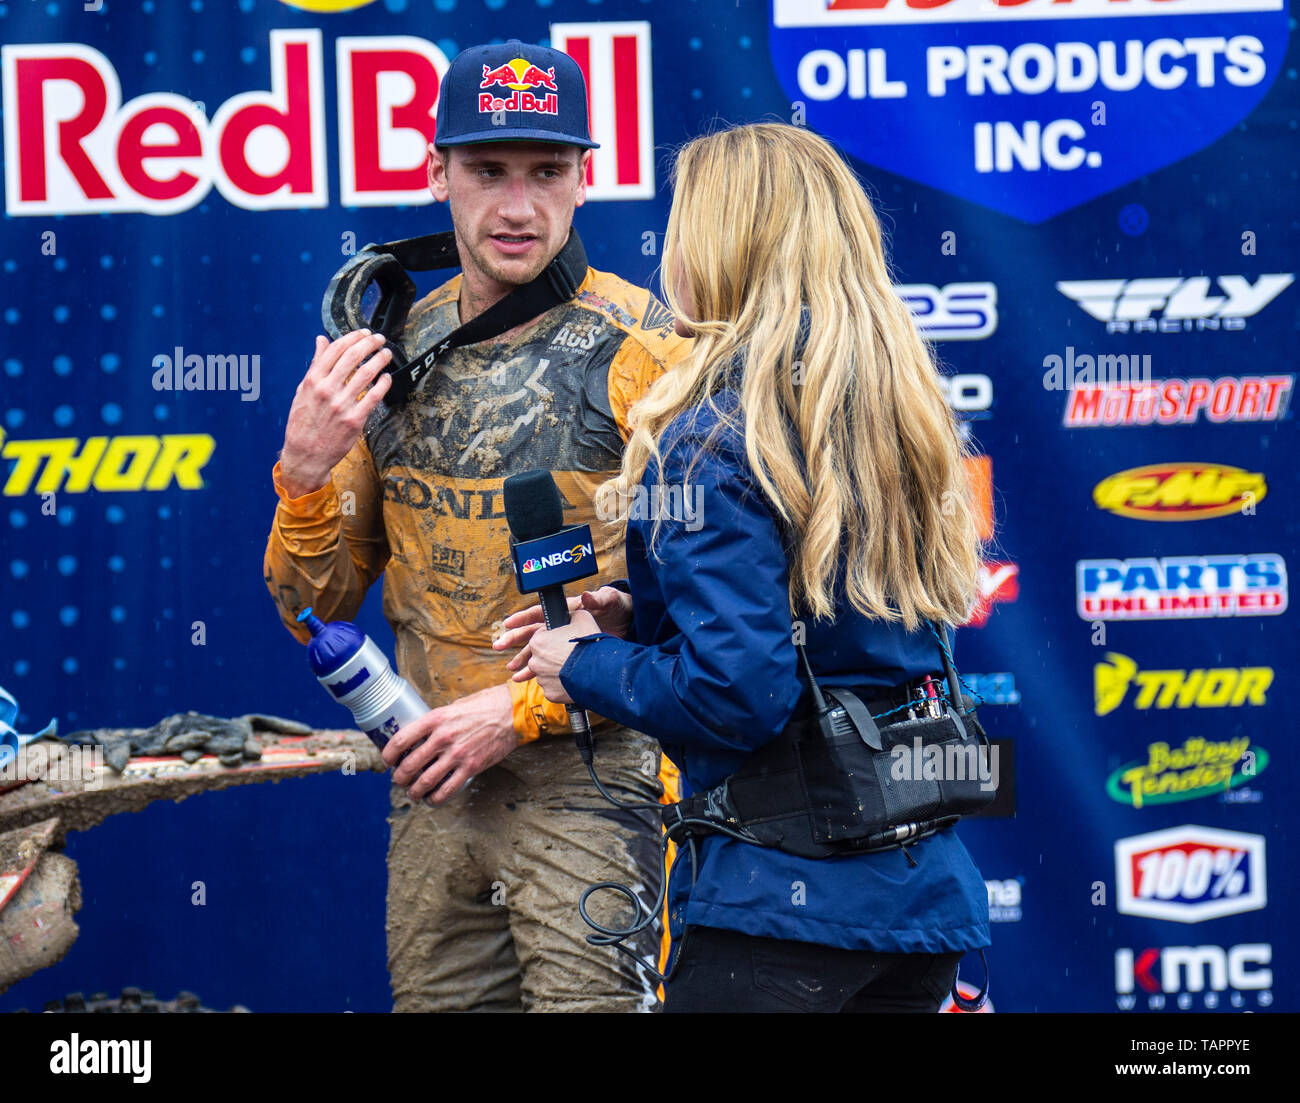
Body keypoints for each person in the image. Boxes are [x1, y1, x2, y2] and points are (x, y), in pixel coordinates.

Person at [496, 122, 991, 1013]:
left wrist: (581, 665)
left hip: (779, 916)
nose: (669, 253)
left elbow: (741, 690)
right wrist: (637, 623)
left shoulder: (708, 435)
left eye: (683, 225)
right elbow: (829, 632)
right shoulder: (889, 409)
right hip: (924, 907)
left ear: (721, 246)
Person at [263, 39, 688, 1012]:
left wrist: (523, 708)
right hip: (433, 786)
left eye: (546, 172)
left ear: (586, 180)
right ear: (436, 171)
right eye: (487, 170)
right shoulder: (383, 349)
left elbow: (718, 617)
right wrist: (302, 471)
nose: (515, 205)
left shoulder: (651, 348)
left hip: (602, 777)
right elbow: (309, 611)